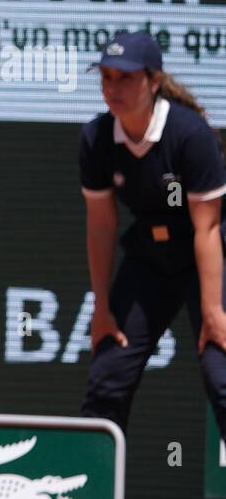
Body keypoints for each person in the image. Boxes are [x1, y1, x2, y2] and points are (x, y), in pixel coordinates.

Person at [79, 29, 226, 444]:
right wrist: (103, 307)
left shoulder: (189, 134)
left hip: (209, 254)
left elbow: (208, 227)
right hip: (151, 258)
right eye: (106, 77)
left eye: (125, 77)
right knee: (108, 377)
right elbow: (102, 224)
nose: (113, 87)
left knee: (222, 376)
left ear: (153, 81)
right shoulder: (95, 139)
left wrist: (213, 311)